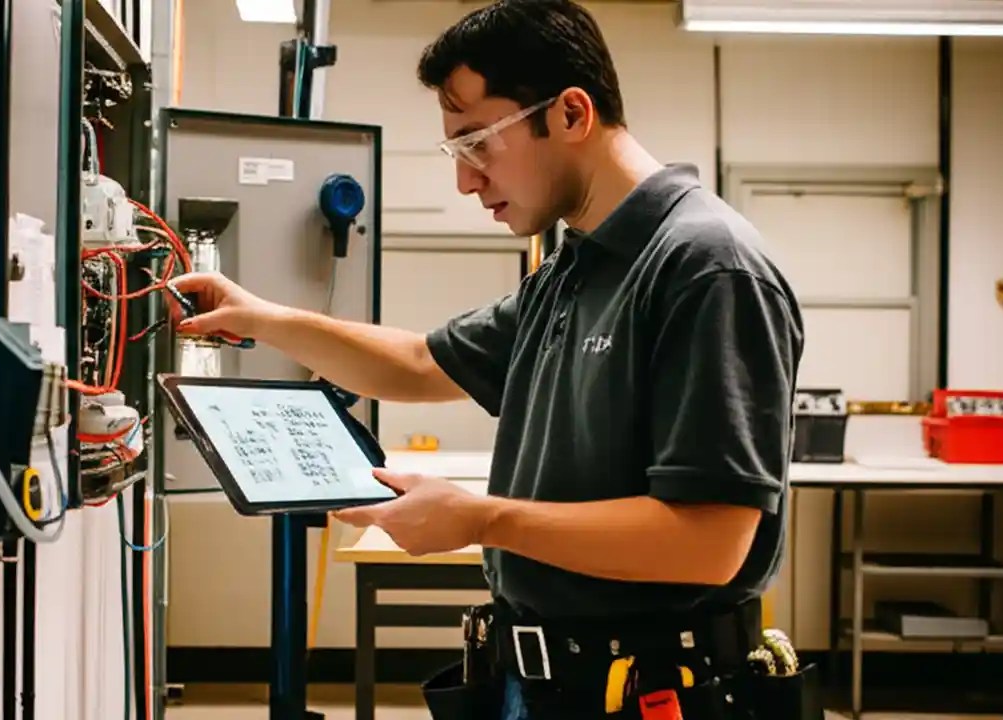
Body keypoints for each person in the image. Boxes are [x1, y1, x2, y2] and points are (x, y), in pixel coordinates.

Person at [170, 0, 808, 717]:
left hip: (650, 690)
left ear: (571, 114)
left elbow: (709, 542)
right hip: (540, 680)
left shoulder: (704, 267)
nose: (465, 181)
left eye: (477, 143)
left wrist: (482, 520)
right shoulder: (573, 270)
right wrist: (261, 317)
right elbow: (417, 362)